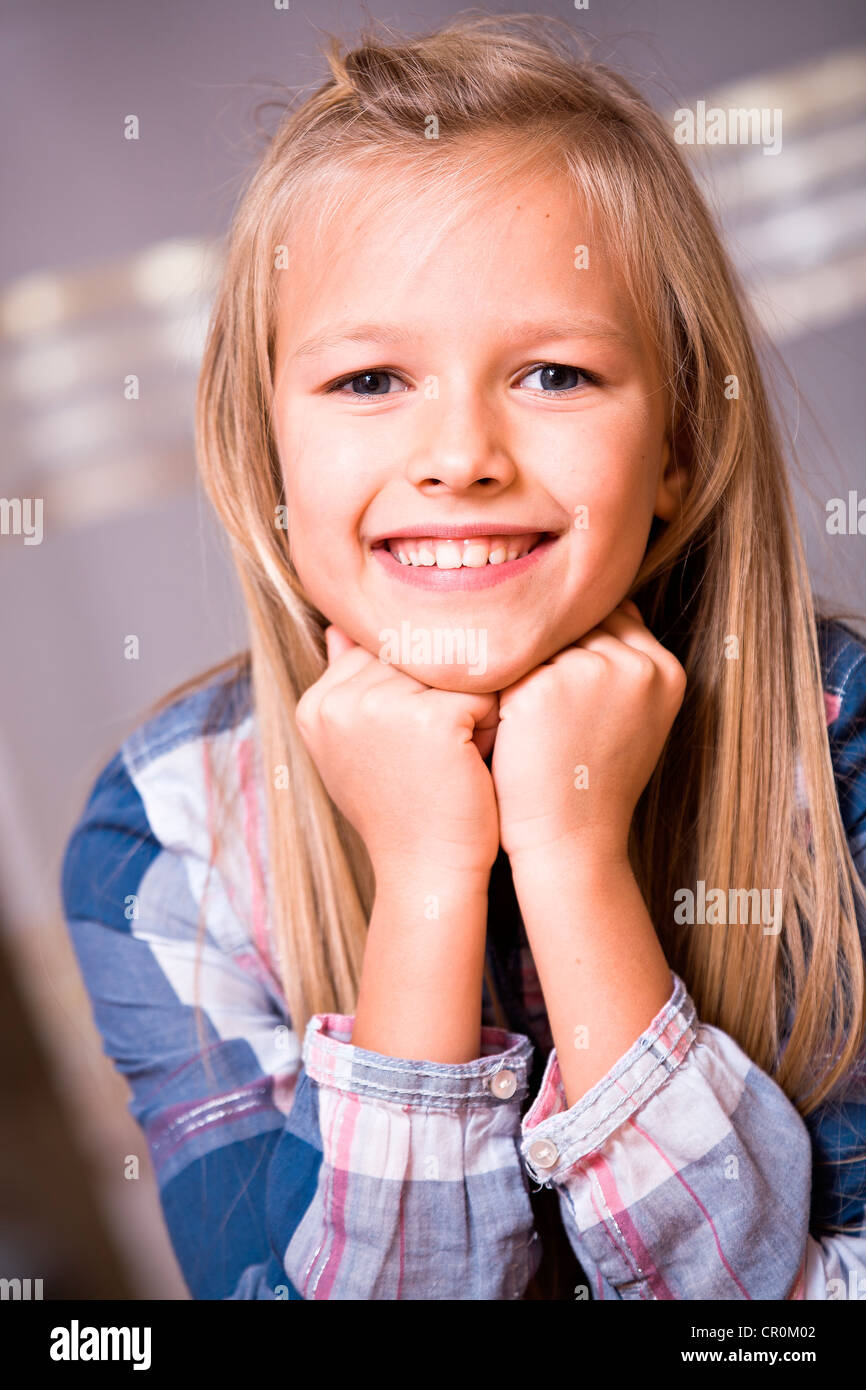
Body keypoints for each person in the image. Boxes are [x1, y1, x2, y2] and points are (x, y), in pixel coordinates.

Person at [60, 13, 866, 1299]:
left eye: (552, 372)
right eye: (370, 381)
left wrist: (571, 855)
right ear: (266, 451)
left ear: (673, 451)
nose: (458, 457)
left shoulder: (840, 745)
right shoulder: (164, 837)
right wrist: (430, 878)